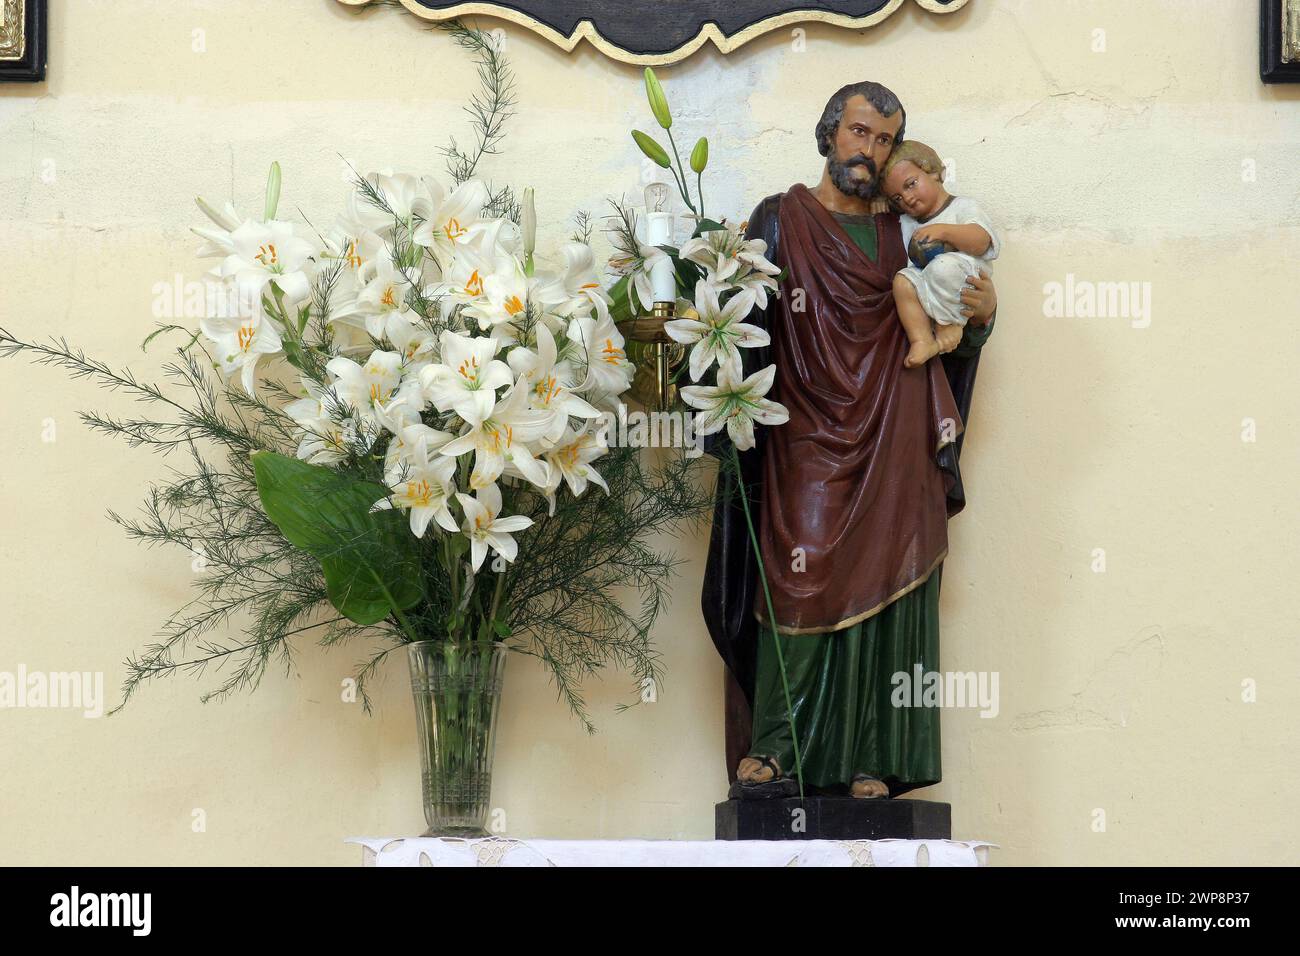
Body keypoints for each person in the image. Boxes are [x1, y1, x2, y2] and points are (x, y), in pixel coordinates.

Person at [701, 81, 997, 800]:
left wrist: (981, 315)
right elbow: (738, 321)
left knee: (894, 585)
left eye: (888, 141)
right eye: (862, 133)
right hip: (802, 435)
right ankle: (779, 748)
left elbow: (952, 311)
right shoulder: (778, 218)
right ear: (831, 131)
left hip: (897, 430)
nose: (872, 152)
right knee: (799, 578)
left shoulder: (908, 230)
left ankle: (878, 758)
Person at [881, 140, 1001, 368]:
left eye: (911, 184)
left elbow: (982, 241)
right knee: (903, 281)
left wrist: (945, 231)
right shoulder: (907, 222)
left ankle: (950, 324)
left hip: (965, 280)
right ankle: (922, 339)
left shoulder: (962, 207)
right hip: (929, 282)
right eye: (897, 198)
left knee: (943, 267)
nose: (906, 198)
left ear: (935, 172)